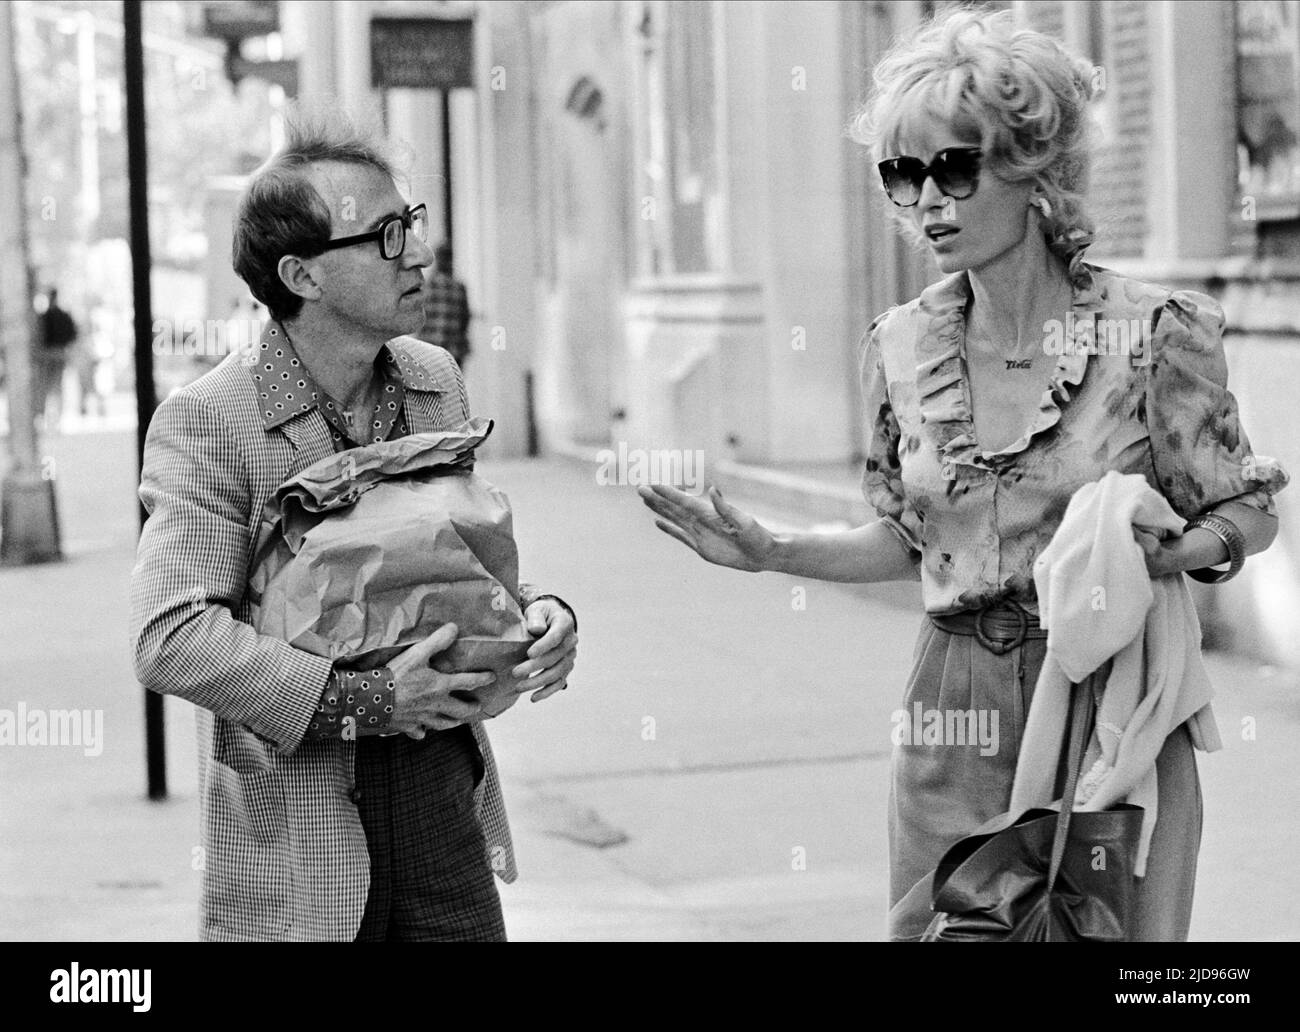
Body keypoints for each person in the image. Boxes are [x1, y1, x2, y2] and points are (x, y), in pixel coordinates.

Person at [640, 7, 1287, 942]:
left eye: (954, 167)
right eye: (903, 175)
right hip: (952, 710)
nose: (927, 201)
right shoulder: (901, 345)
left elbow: (1249, 509)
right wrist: (767, 549)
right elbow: (912, 541)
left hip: (1104, 689)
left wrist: (1183, 547)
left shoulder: (1153, 334)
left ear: (1035, 171)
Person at [130, 111, 579, 942]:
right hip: (299, 825)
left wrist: (540, 617)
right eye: (383, 234)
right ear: (301, 275)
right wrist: (363, 699)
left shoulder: (432, 379)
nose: (419, 252)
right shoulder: (208, 420)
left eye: (410, 223)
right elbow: (170, 635)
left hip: (442, 795)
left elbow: (462, 562)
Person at [419, 242, 472, 368]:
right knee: (452, 386)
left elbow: (418, 317)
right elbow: (465, 319)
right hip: (454, 350)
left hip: (429, 348)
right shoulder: (459, 287)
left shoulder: (426, 286)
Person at [36, 287, 78, 429]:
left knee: (46, 386)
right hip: (59, 353)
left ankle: (47, 417)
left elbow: (39, 336)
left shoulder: (45, 316)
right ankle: (55, 418)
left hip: (48, 354)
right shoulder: (63, 315)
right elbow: (73, 334)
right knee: (57, 386)